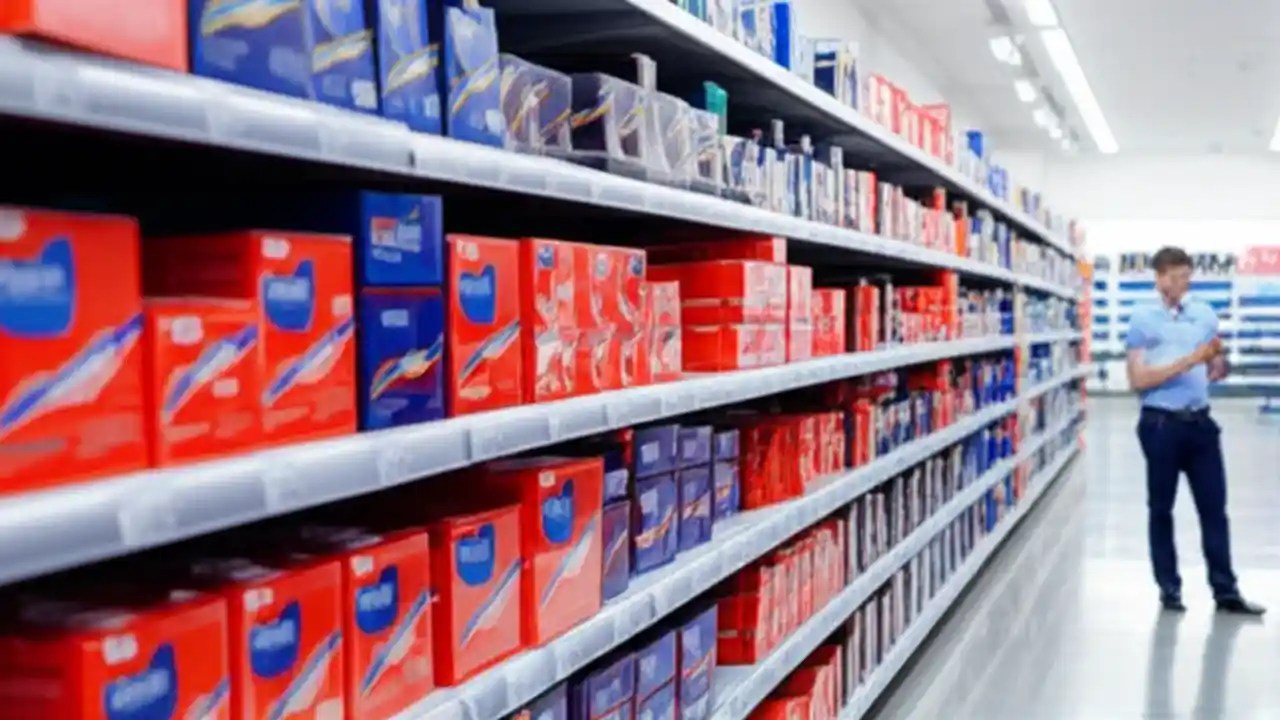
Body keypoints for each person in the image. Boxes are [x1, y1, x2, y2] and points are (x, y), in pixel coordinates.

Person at [1125, 246, 1264, 614]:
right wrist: (1190, 360)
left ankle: (1226, 591)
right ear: (1158, 278)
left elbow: (1215, 362)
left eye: (1186, 275)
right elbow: (1138, 378)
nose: (1182, 283)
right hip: (1160, 425)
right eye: (1175, 276)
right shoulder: (1142, 319)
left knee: (1214, 509)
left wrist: (1219, 361)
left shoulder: (1203, 314)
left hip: (1200, 424)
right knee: (1161, 509)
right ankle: (1169, 589)